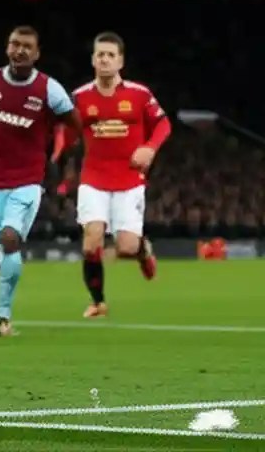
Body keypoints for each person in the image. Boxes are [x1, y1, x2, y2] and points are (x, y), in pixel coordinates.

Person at [0, 26, 79, 337]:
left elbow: (76, 125)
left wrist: (69, 162)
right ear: (7, 48)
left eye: (27, 46)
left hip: (27, 181)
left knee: (9, 238)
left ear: (36, 53)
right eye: (15, 44)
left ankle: (2, 318)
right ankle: (3, 262)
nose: (20, 50)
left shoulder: (50, 90)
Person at [56, 32, 169, 319]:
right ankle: (98, 302)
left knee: (126, 246)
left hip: (129, 180)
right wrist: (57, 154)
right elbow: (66, 134)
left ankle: (143, 250)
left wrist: (149, 148)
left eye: (110, 54)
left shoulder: (139, 94)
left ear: (120, 61)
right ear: (93, 60)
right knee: (92, 240)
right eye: (99, 54)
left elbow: (163, 124)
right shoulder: (79, 98)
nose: (104, 59)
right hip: (93, 178)